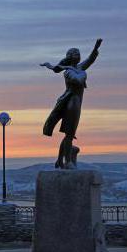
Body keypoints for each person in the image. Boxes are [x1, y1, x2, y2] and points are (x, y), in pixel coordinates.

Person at [40, 38, 103, 169]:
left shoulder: (78, 68)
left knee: (69, 134)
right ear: (69, 57)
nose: (78, 55)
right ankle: (67, 161)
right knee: (69, 134)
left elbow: (90, 60)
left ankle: (59, 160)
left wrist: (95, 48)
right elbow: (79, 80)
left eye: (78, 53)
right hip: (71, 103)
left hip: (77, 103)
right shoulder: (69, 72)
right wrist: (80, 72)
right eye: (75, 53)